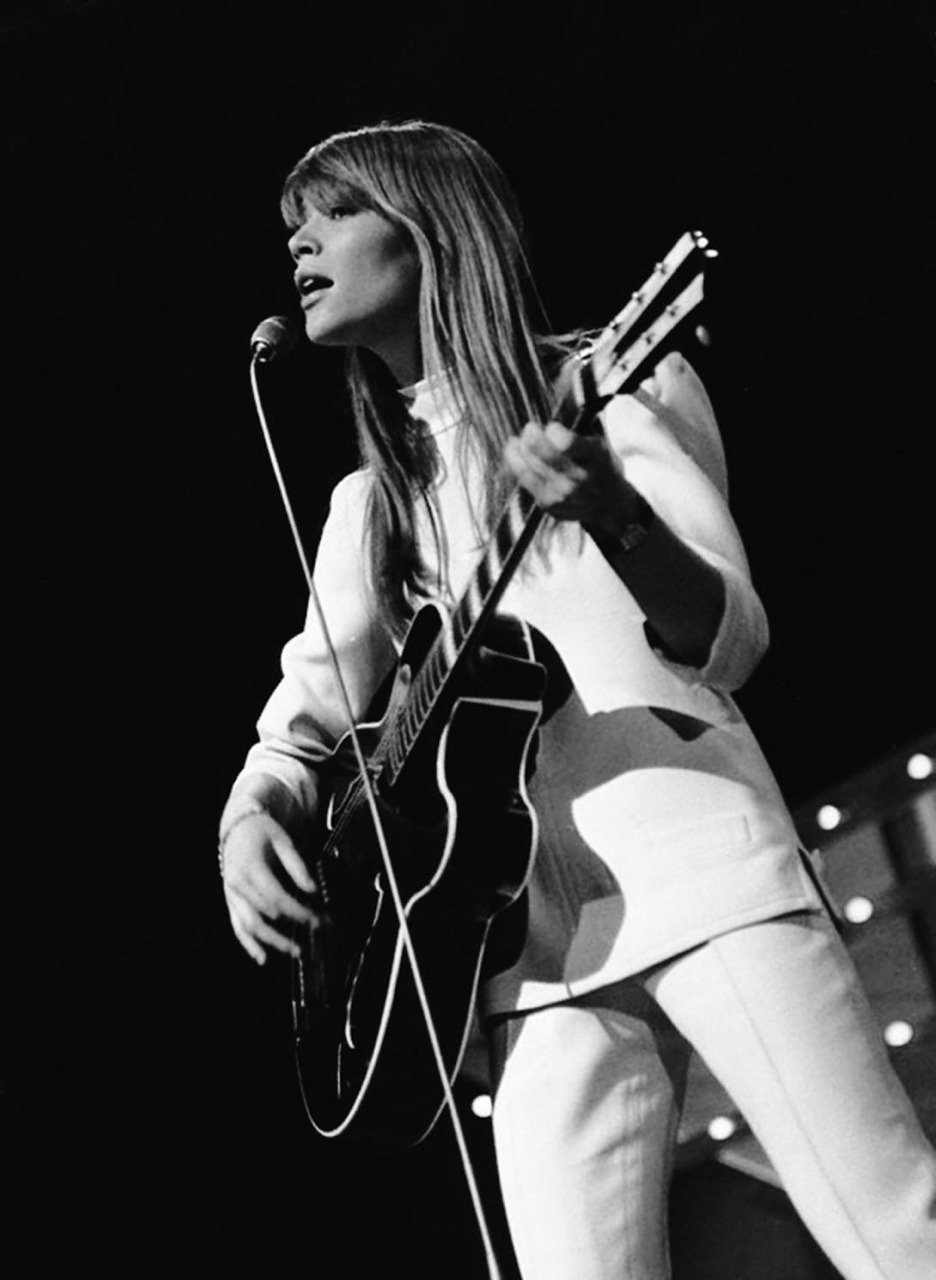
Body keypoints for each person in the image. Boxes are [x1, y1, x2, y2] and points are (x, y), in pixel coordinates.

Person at [218, 120, 936, 1279]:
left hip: (705, 876)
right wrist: (251, 819)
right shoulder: (367, 505)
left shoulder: (606, 381)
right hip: (527, 961)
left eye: (337, 209)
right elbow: (300, 720)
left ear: (435, 227)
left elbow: (730, 638)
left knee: (897, 1231)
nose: (301, 239)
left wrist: (613, 512)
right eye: (293, 224)